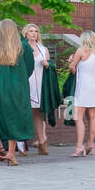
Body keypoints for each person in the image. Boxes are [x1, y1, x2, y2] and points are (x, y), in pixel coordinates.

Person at [0, 20, 34, 166]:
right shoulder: (23, 47)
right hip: (18, 88)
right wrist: (20, 78)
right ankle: (11, 154)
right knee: (13, 119)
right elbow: (29, 68)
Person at [24, 23, 58, 155]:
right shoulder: (22, 47)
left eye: (36, 31)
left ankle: (42, 142)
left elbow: (50, 67)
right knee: (23, 113)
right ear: (25, 33)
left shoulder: (43, 49)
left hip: (40, 84)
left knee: (38, 113)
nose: (34, 33)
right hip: (26, 83)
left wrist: (47, 64)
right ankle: (21, 145)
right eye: (31, 31)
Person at [68, 30, 95, 157]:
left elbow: (72, 68)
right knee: (92, 117)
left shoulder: (81, 50)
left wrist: (71, 62)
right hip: (94, 86)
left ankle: (79, 147)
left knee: (78, 117)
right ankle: (90, 144)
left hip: (82, 86)